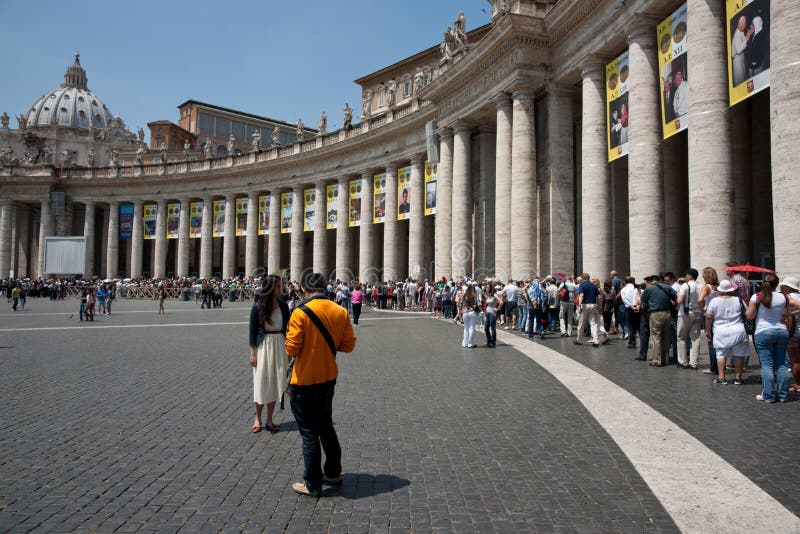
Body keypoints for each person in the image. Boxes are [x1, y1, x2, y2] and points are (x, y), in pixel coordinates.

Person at [286, 272, 357, 497]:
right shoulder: (340, 311)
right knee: (326, 425)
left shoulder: (300, 312)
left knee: (309, 433)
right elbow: (348, 346)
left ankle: (313, 483)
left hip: (304, 380)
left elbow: (292, 349)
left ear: (305, 291)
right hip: (328, 378)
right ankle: (333, 472)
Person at [746, 273, 800, 402]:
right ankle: (783, 395)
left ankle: (768, 395)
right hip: (781, 331)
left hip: (763, 332)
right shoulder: (784, 297)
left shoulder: (757, 296)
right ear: (777, 285)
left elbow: (750, 316)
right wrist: (788, 315)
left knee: (767, 365)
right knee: (781, 365)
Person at [248, 275, 291, 433]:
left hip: (280, 344)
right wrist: (252, 354)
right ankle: (257, 418)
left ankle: (270, 419)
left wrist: (290, 351)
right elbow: (252, 333)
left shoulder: (284, 306)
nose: (282, 289)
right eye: (279, 287)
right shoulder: (257, 306)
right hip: (263, 346)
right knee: (261, 382)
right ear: (271, 289)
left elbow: (289, 329)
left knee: (275, 383)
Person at [705, 280, 749, 385]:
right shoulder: (739, 300)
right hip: (738, 329)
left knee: (721, 354)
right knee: (739, 354)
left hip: (721, 330)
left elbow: (709, 317)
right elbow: (747, 313)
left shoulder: (715, 301)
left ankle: (722, 378)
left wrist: (707, 330)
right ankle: (738, 378)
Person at [640, 275, 676, 366]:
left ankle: (657, 360)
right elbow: (675, 297)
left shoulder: (649, 288)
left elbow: (643, 299)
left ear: (651, 281)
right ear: (659, 280)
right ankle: (665, 359)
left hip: (656, 313)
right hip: (668, 313)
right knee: (665, 336)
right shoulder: (667, 287)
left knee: (656, 336)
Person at [676, 268, 703, 369]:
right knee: (695, 338)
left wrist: (677, 297)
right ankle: (694, 363)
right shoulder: (701, 286)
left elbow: (680, 300)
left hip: (685, 314)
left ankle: (683, 361)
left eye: (686, 275)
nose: (685, 276)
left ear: (690, 275)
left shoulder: (685, 285)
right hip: (697, 313)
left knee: (681, 337)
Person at [779, 277, 800, 392]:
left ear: (789, 287)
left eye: (783, 286)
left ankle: (798, 384)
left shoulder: (788, 298)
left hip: (794, 332)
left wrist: (787, 315)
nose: (781, 288)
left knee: (795, 360)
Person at [698, 267, 721, 375]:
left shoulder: (706, 287)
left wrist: (702, 308)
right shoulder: (718, 286)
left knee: (710, 340)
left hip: (709, 314)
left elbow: (700, 299)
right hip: (718, 314)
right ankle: (720, 365)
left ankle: (714, 367)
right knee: (718, 341)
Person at [576, 273, 600, 346]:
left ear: (582, 279)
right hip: (593, 304)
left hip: (585, 305)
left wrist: (579, 305)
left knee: (581, 323)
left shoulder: (582, 285)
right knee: (593, 323)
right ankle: (596, 340)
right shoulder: (594, 286)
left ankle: (579, 340)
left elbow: (581, 295)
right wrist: (599, 306)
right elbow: (599, 297)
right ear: (589, 278)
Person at [731, 15, 753, 87]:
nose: (745, 25)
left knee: (743, 77)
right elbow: (739, 50)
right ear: (739, 23)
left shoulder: (741, 32)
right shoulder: (737, 34)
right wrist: (747, 37)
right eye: (743, 23)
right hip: (737, 61)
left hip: (741, 58)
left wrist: (748, 34)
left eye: (745, 23)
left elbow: (744, 41)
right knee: (739, 80)